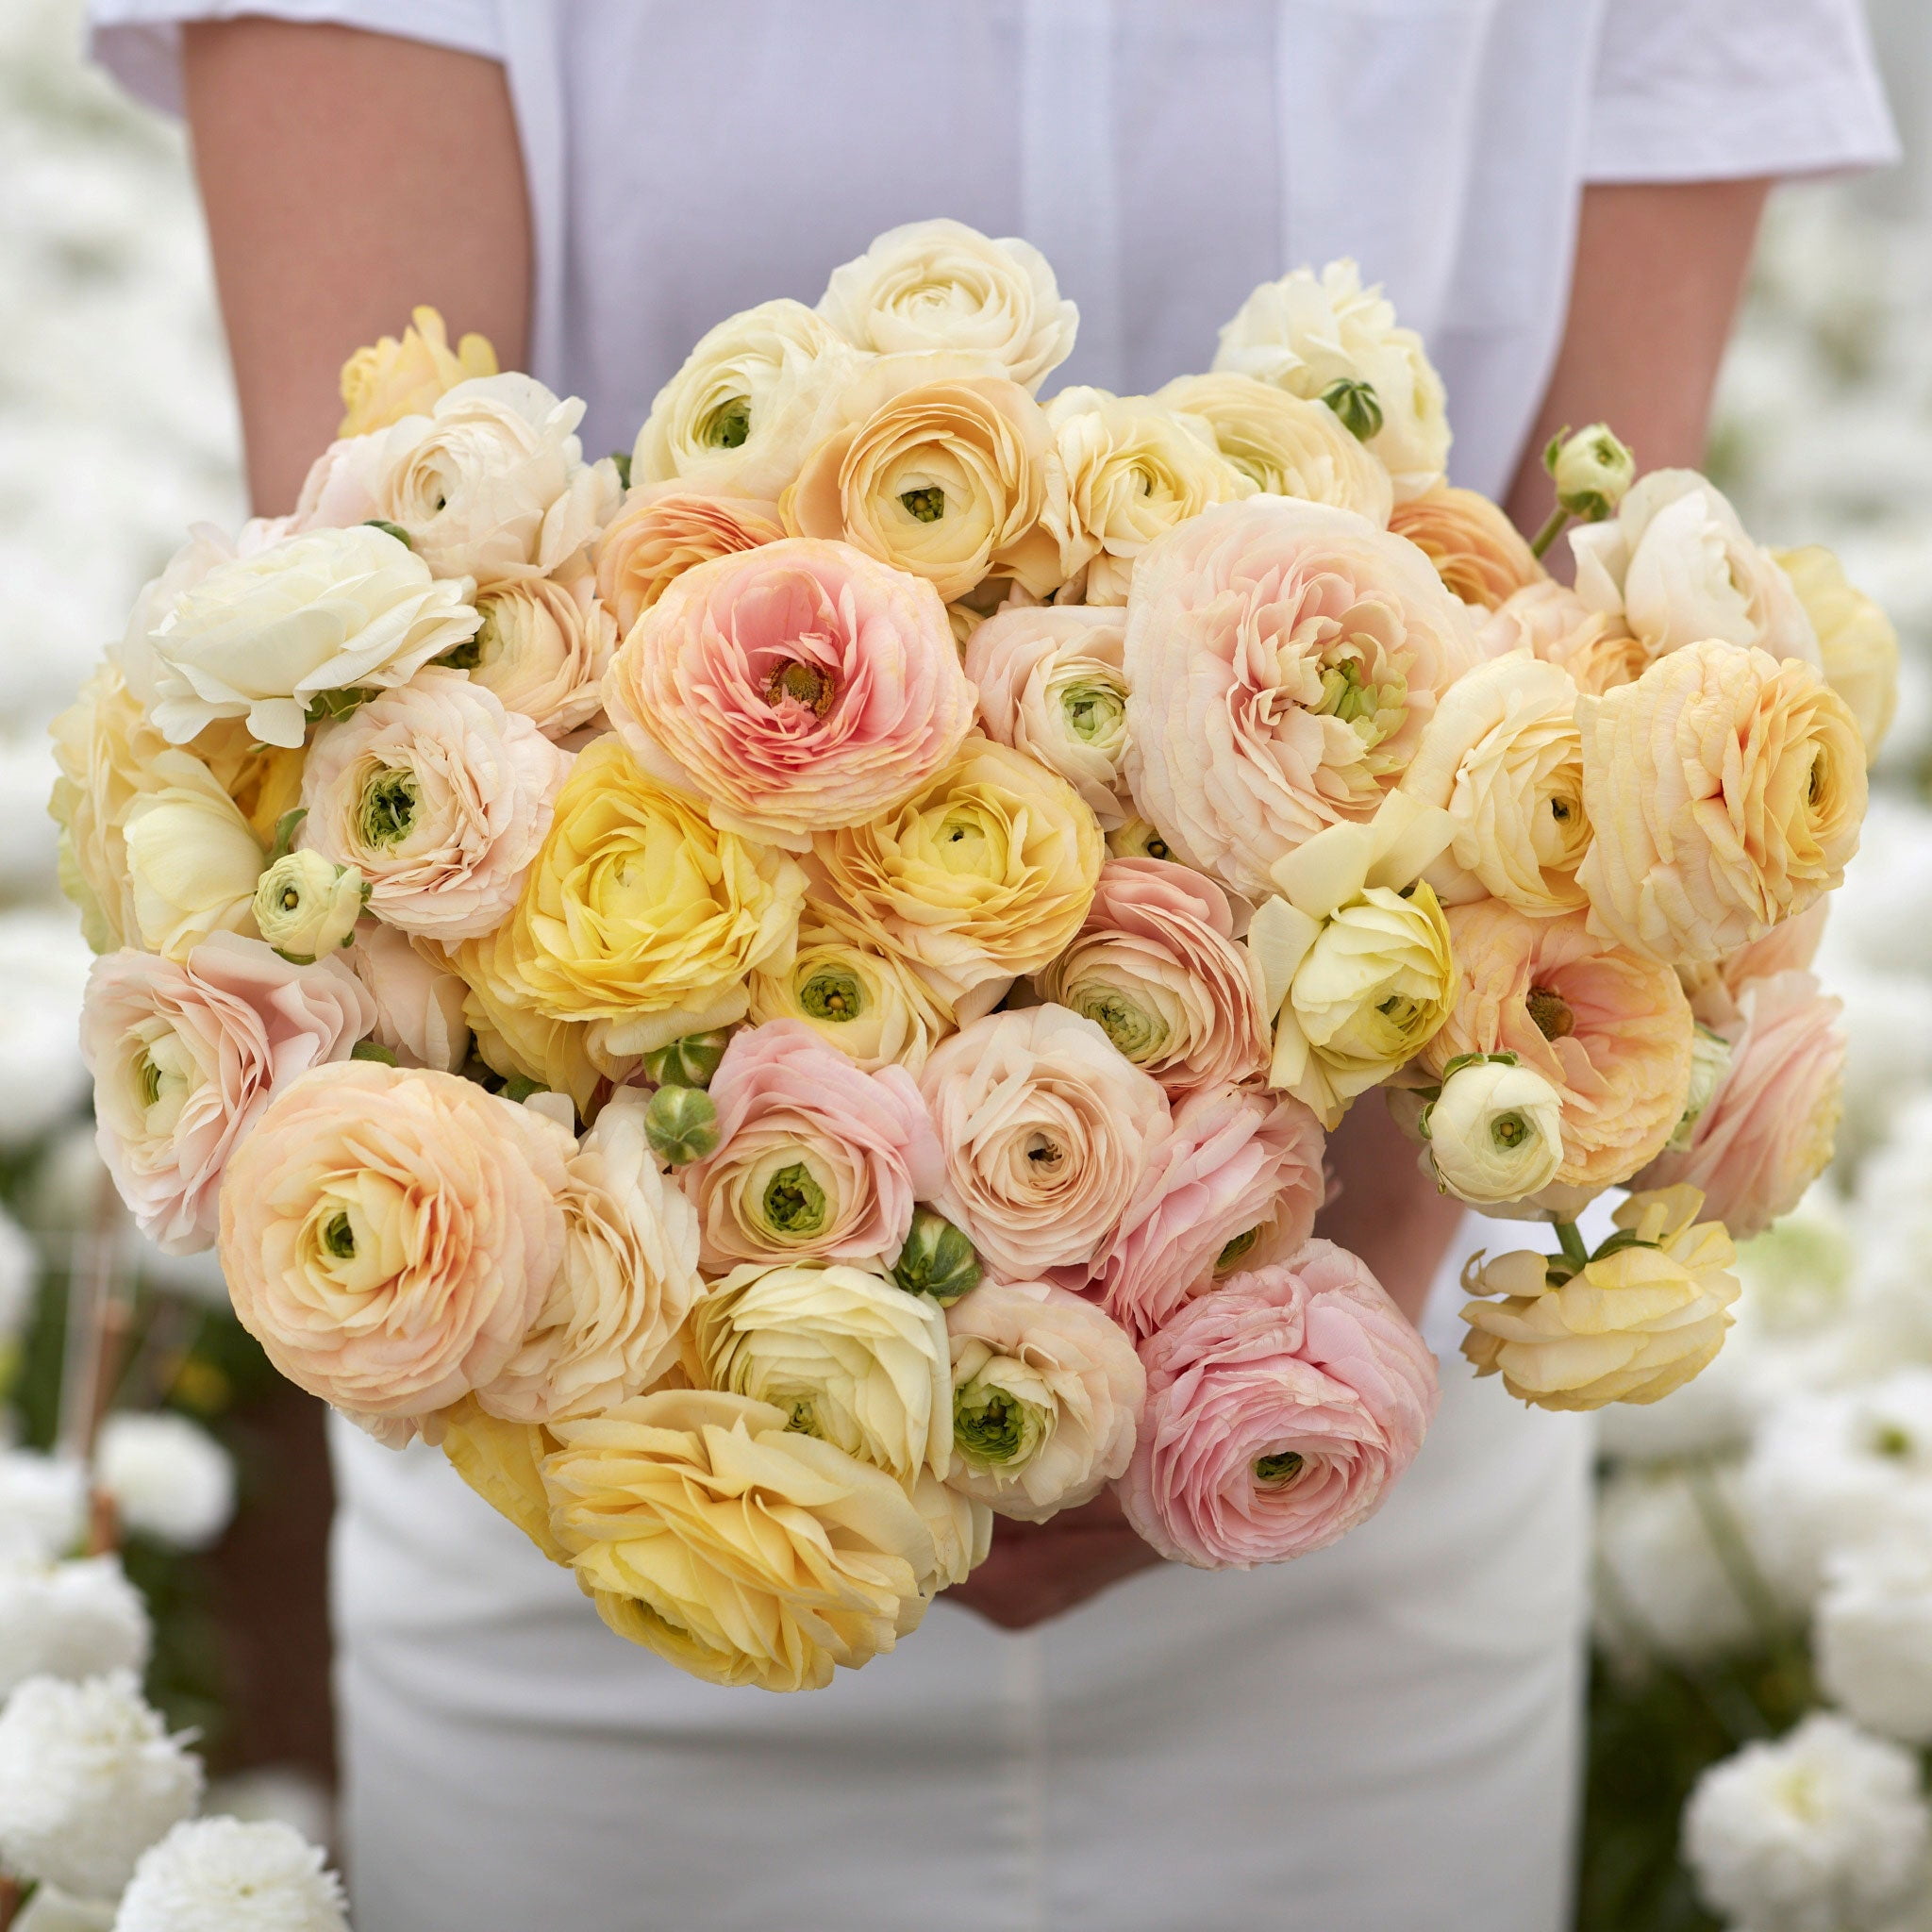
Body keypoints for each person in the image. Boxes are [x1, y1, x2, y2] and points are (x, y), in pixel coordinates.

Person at [89, 7, 1895, 1928]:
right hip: (630, 1451)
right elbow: (365, 633)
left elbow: (1597, 654)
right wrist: (759, 1344)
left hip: (1336, 1408)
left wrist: (1272, 1288)